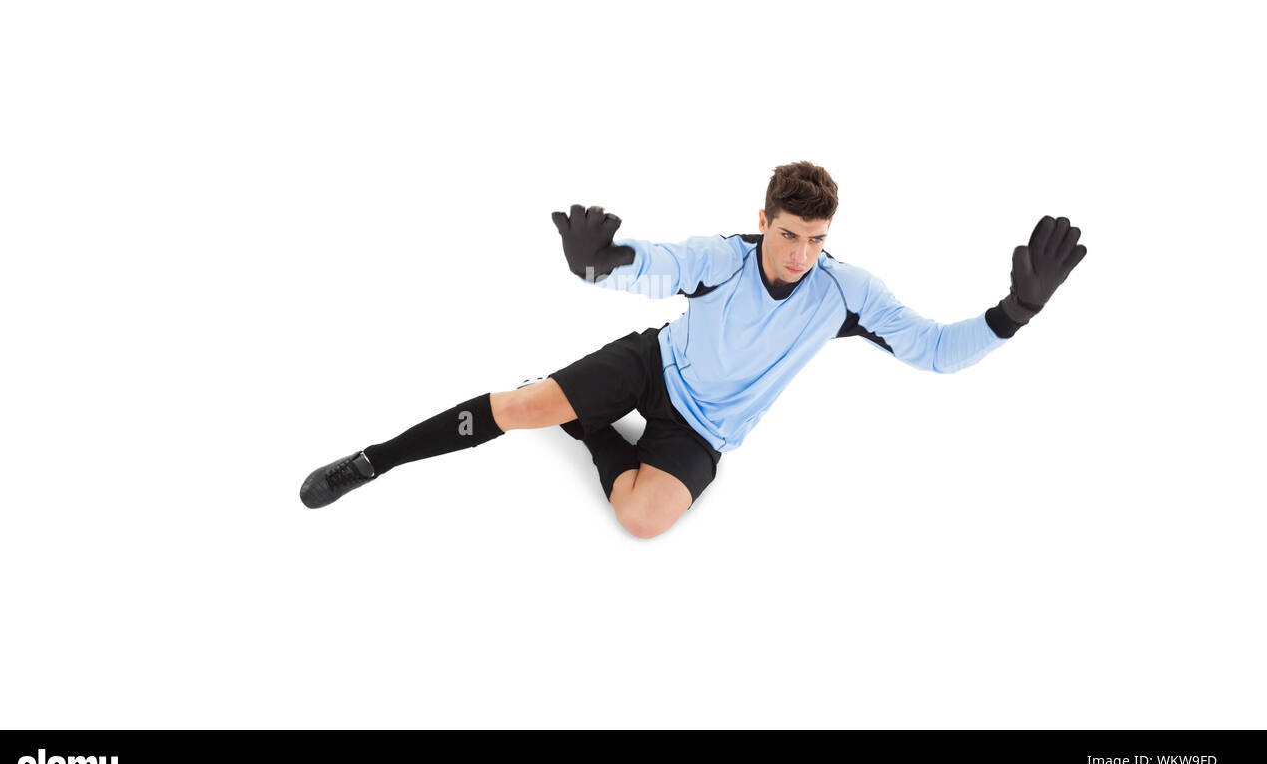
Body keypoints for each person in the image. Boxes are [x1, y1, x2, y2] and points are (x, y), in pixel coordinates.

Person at [299, 161, 1086, 539]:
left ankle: (593, 431)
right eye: (788, 235)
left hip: (707, 427)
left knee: (642, 519)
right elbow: (658, 264)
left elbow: (939, 352)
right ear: (764, 219)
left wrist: (1013, 312)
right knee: (517, 408)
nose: (800, 255)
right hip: (653, 363)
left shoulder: (846, 293)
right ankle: (372, 460)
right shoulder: (727, 257)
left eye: (816, 240)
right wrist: (597, 262)